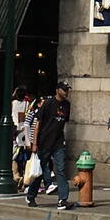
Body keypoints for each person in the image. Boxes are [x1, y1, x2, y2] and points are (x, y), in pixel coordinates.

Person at [26, 81, 74, 210]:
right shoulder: (48, 104)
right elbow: (38, 123)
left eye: (67, 90)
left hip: (58, 142)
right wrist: (34, 143)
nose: (66, 92)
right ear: (58, 90)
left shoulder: (67, 105)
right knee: (40, 171)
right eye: (64, 90)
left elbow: (63, 123)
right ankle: (31, 195)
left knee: (61, 169)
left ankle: (63, 199)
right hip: (44, 142)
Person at [10, 87, 29, 186]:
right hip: (24, 129)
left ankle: (16, 174)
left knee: (14, 154)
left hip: (15, 129)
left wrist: (14, 93)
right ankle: (25, 174)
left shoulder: (13, 103)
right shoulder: (27, 104)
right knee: (24, 152)